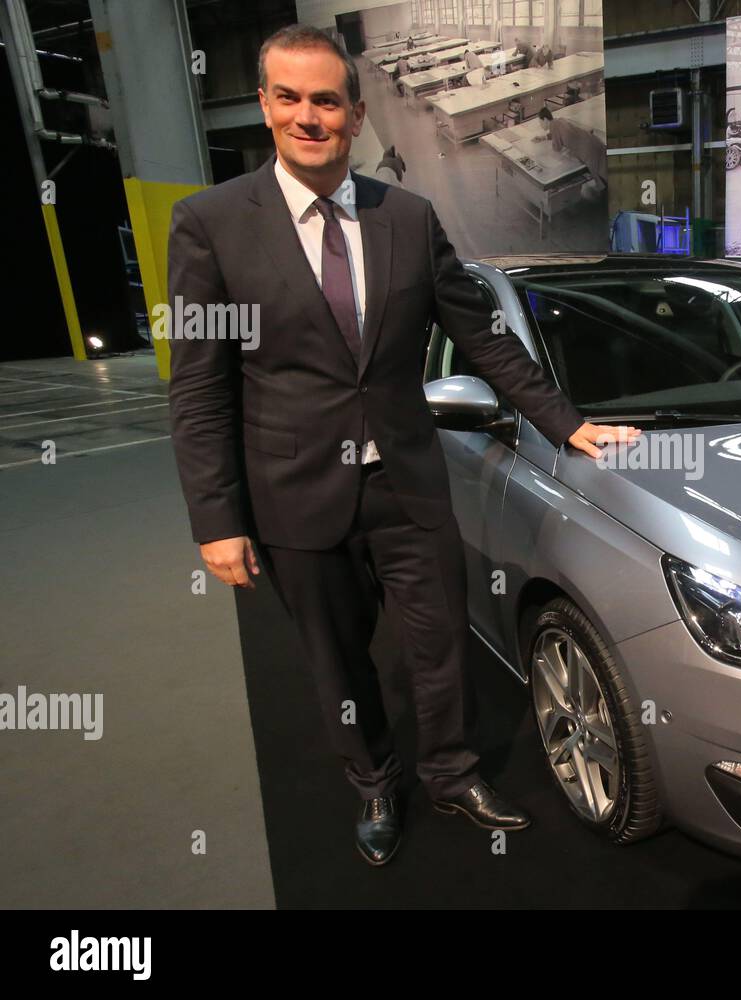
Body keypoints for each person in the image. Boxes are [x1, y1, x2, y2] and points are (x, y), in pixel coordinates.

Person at [166, 25, 638, 867]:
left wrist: (565, 422)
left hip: (410, 487)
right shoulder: (211, 225)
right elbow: (199, 385)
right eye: (290, 98)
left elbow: (486, 339)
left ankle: (453, 775)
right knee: (338, 661)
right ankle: (375, 783)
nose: (308, 117)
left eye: (327, 101)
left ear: (355, 114)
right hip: (294, 495)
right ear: (268, 108)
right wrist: (215, 516)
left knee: (440, 649)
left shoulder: (410, 219)